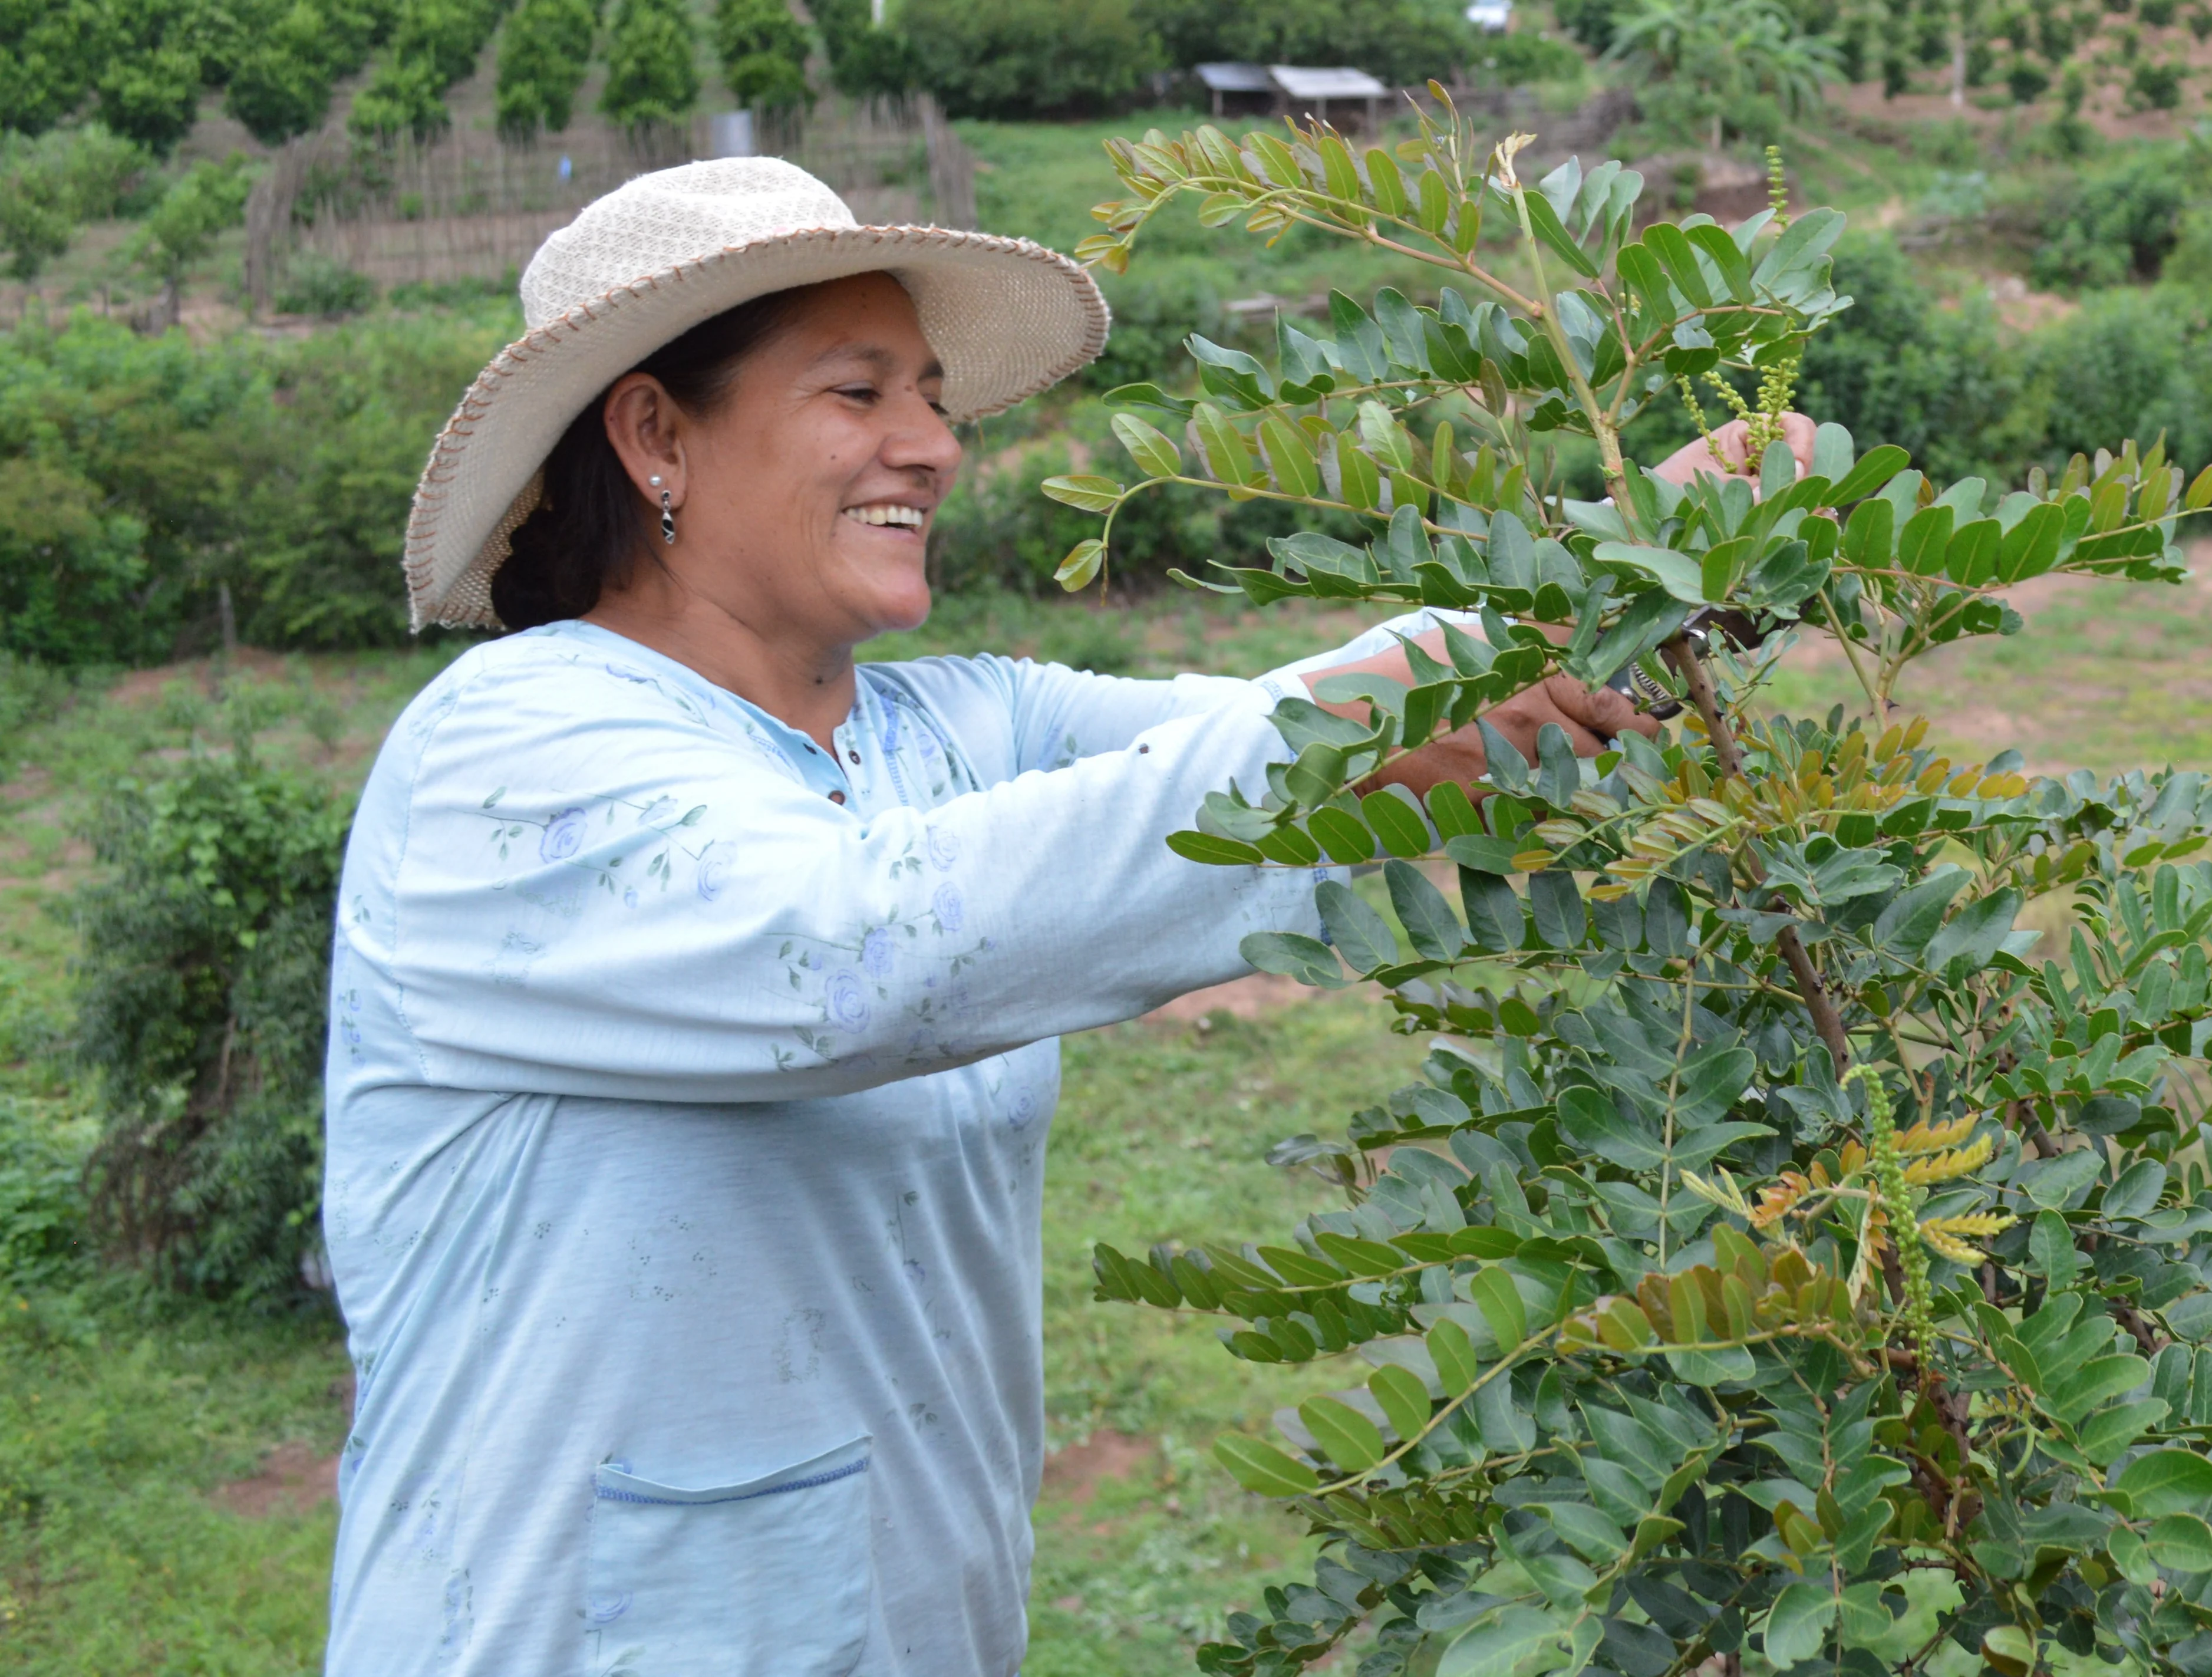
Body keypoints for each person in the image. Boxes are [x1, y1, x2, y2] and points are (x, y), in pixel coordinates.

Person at [324, 156, 1805, 1675]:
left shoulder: (958, 730)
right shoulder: (508, 757)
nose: (933, 446)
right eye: (859, 393)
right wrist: (1490, 642)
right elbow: (862, 948)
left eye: (933, 395)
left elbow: (1340, 735)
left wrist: (1595, 594)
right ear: (655, 435)